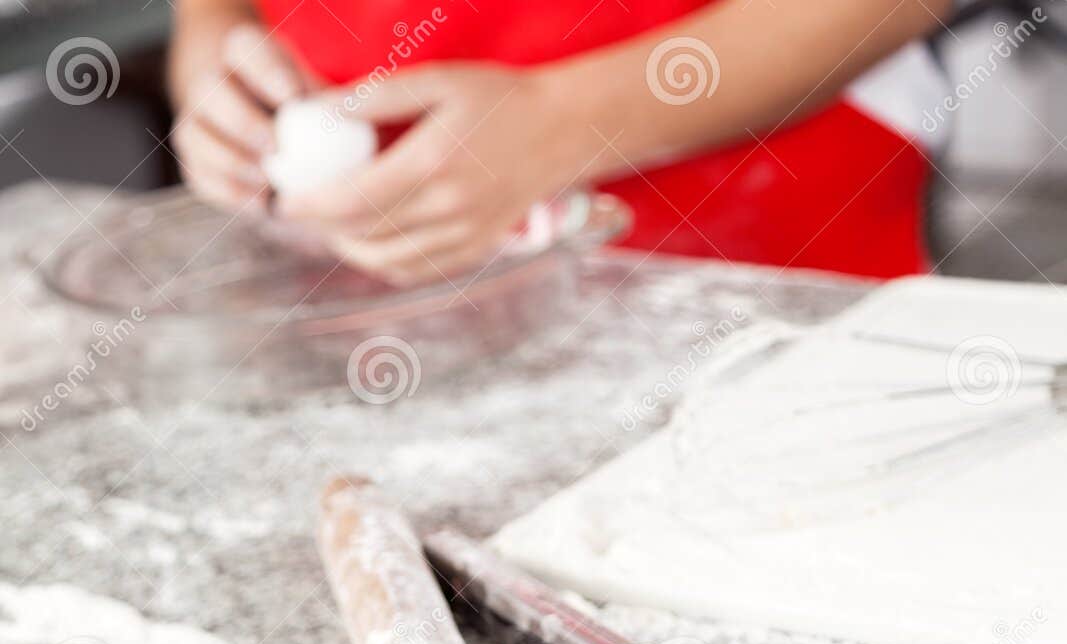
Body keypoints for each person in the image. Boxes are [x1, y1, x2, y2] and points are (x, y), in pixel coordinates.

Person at [168, 0, 952, 287]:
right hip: (352, 278)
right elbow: (210, 11)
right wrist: (214, 46)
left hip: (740, 257)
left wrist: (561, 121)